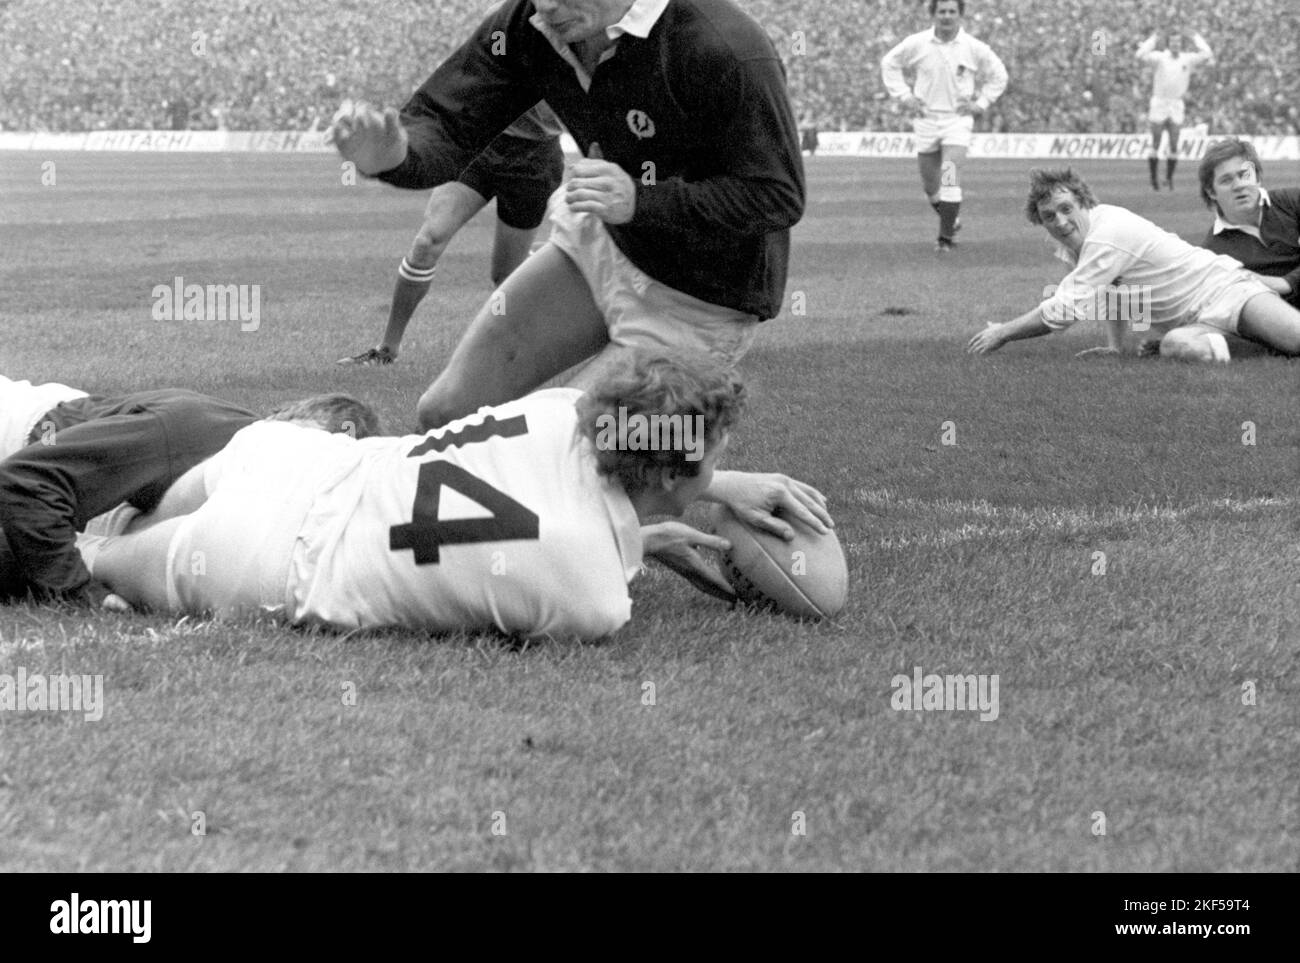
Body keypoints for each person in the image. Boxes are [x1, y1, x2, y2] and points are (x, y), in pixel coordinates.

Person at [79, 353, 833, 640]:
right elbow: (556, 545)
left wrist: (689, 499)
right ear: (669, 472)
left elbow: (583, 469)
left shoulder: (561, 411)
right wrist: (643, 539)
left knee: (108, 516)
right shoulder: (597, 599)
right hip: (272, 562)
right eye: (713, 454)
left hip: (300, 461)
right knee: (98, 562)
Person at [328, 0, 804, 431]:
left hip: (701, 295)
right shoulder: (530, 26)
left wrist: (642, 201)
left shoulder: (721, 44)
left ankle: (722, 488)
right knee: (445, 414)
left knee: (575, 454)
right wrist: (394, 155)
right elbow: (448, 125)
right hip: (602, 243)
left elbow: (776, 194)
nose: (548, 7)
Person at [0, 374, 378, 607]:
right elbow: (26, 483)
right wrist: (78, 593)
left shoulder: (245, 478)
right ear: (277, 419)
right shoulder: (192, 433)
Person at [965, 168, 1300, 361]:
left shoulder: (1106, 233)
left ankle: (1276, 339)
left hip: (1227, 290)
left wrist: (1004, 332)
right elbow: (1111, 292)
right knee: (1175, 346)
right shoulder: (1075, 245)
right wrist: (1116, 346)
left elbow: (1064, 312)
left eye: (1067, 208)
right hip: (1196, 321)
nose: (1061, 221)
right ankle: (1265, 347)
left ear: (1084, 202)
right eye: (1049, 216)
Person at [336, 103, 566, 367]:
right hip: (479, 144)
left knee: (504, 276)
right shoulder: (495, 59)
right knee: (426, 243)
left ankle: (539, 271)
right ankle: (387, 350)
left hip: (534, 158)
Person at [881, 0, 1008, 251]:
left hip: (956, 121)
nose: (947, 16)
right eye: (942, 12)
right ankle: (951, 220)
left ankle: (945, 239)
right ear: (933, 15)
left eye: (952, 12)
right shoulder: (917, 43)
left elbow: (999, 75)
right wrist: (905, 97)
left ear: (960, 15)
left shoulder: (974, 47)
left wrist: (981, 104)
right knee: (930, 187)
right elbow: (889, 64)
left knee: (950, 177)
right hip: (926, 120)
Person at [1197, 137, 1300, 310]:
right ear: (1211, 192)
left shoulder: (1293, 202)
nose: (1239, 185)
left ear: (1257, 178)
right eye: (1226, 180)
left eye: (1245, 175)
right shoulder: (1214, 253)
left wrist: (1286, 283)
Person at [1136, 30, 1214, 191]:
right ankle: (1153, 179)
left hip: (1176, 104)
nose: (1175, 44)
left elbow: (1207, 54)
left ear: (1181, 44)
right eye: (1172, 42)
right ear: (1168, 43)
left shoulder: (1187, 59)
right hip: (1159, 102)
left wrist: (1196, 37)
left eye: (1178, 42)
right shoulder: (1159, 57)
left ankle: (1169, 179)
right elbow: (1140, 55)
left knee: (1174, 143)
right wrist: (1153, 39)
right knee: (1156, 142)